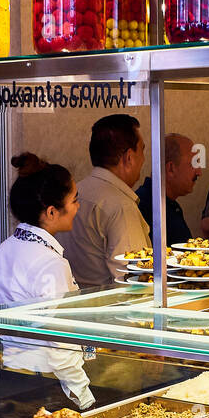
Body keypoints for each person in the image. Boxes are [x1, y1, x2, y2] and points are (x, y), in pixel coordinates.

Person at [0, 153, 93, 418]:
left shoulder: (1, 252)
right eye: (74, 200)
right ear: (52, 212)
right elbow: (57, 341)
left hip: (9, 381)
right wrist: (84, 396)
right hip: (44, 392)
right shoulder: (50, 263)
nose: (79, 207)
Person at [60, 114, 149, 288]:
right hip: (108, 311)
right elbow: (133, 280)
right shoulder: (120, 206)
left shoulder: (74, 193)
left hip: (72, 306)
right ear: (129, 157)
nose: (144, 159)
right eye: (142, 150)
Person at [136, 133, 200, 245]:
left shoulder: (169, 205)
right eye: (194, 164)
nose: (199, 172)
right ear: (171, 169)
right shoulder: (146, 208)